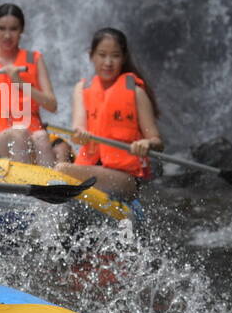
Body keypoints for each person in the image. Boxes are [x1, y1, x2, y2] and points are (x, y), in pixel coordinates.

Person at [54, 27, 163, 199]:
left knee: (61, 169)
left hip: (124, 178)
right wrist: (79, 134)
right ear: (92, 56)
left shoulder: (136, 93)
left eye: (115, 56)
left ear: (123, 58)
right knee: (59, 160)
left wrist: (147, 144)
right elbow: (77, 129)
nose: (108, 62)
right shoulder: (81, 89)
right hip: (91, 169)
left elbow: (157, 141)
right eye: (102, 55)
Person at [0, 3, 58, 165]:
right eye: (1, 28)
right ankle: (23, 185)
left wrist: (21, 83)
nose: (7, 35)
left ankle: (49, 186)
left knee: (41, 136)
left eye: (13, 29)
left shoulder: (34, 59)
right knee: (18, 134)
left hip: (30, 139)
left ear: (21, 31)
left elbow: (52, 105)